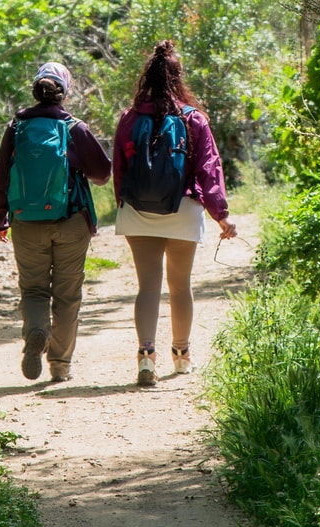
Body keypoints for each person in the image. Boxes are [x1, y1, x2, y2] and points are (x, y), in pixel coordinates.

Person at [112, 40, 237, 386]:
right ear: (178, 78)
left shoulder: (129, 118)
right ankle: (181, 357)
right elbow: (208, 169)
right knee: (180, 286)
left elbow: (119, 167)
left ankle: (145, 357)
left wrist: (124, 200)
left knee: (147, 287)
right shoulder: (193, 119)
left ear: (147, 78)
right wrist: (221, 216)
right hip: (183, 208)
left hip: (138, 211)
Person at [0, 62, 111, 382]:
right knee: (68, 295)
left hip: (26, 222)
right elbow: (102, 174)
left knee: (33, 289)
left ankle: (37, 331)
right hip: (71, 220)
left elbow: (2, 176)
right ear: (65, 91)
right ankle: (60, 364)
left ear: (35, 89)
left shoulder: (16, 127)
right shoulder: (75, 129)